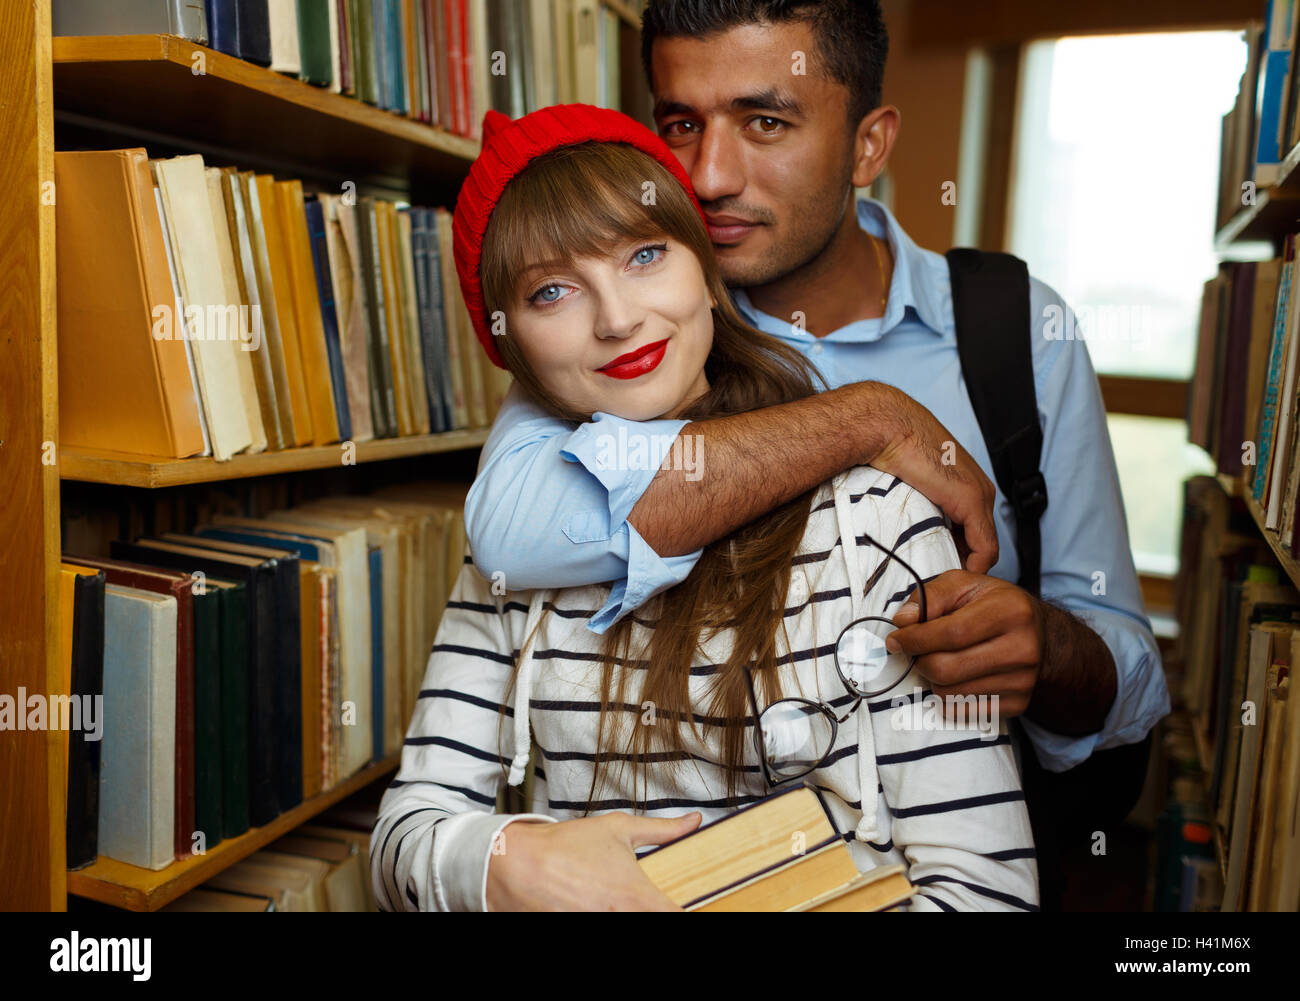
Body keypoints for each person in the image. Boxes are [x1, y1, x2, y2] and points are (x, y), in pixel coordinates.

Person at [462, 0, 1169, 897]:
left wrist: (1050, 648)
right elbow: (511, 522)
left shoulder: (1017, 331)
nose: (709, 176)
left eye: (766, 121)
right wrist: (867, 419)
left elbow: (1128, 663)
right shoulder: (630, 337)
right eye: (681, 124)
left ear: (869, 145)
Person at [371, 104, 1037, 912]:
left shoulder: (876, 518)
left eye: (646, 254)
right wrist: (510, 858)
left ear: (707, 269)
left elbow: (985, 888)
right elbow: (406, 832)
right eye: (552, 291)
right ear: (514, 349)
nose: (617, 319)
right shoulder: (521, 548)